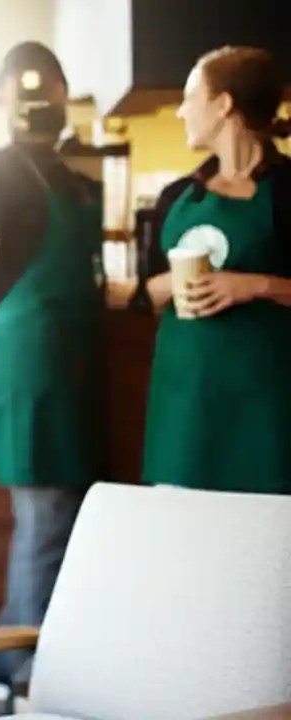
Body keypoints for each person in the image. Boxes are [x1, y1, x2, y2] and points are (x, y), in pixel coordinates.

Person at [0, 42, 106, 702]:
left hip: (70, 359)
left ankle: (13, 651)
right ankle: (15, 669)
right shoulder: (1, 170)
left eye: (46, 88)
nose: (37, 100)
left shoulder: (77, 178)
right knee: (46, 515)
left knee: (59, 513)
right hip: (33, 361)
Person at [139, 47, 291, 493]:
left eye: (190, 97)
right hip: (183, 409)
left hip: (267, 411)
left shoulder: (287, 193)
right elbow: (144, 294)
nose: (181, 110)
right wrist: (177, 283)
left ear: (224, 104)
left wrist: (255, 285)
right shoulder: (176, 197)